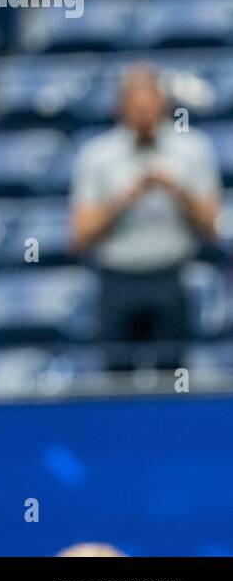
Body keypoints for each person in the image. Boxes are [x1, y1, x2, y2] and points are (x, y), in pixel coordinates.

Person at [70, 64, 222, 373]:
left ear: (163, 106)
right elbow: (79, 237)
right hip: (116, 281)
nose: (142, 115)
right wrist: (124, 200)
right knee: (115, 376)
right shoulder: (96, 155)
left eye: (148, 106)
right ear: (120, 108)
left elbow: (213, 227)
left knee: (174, 375)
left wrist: (177, 191)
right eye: (134, 107)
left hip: (170, 277)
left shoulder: (194, 149)